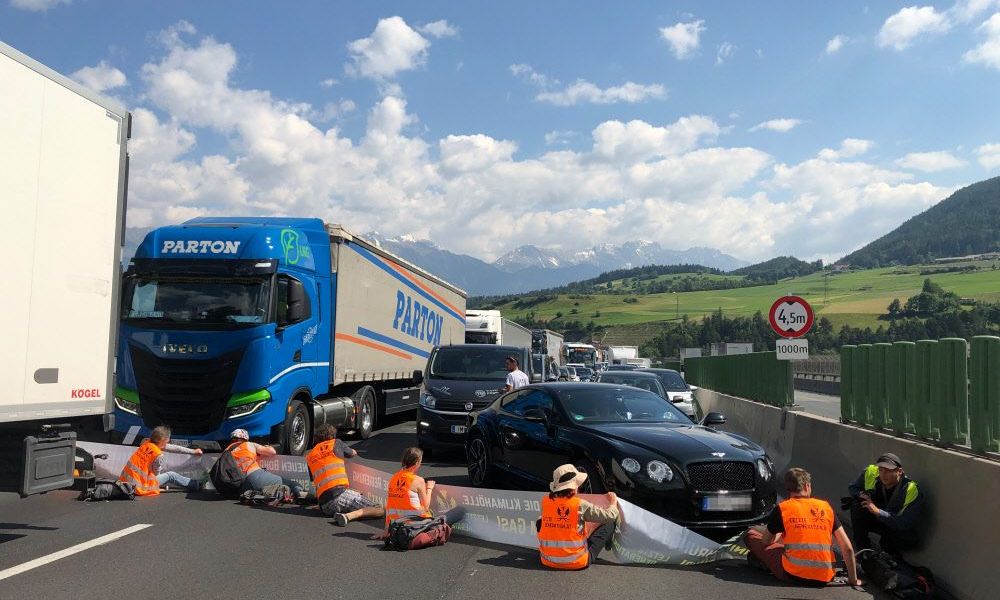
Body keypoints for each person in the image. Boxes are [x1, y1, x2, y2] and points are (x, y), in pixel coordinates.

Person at [747, 468, 861, 588]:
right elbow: (848, 548)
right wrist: (853, 580)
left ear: (788, 488)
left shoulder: (783, 508)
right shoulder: (826, 507)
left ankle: (762, 562)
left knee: (750, 535)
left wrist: (780, 531)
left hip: (793, 574)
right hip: (825, 576)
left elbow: (766, 541)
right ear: (807, 486)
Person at [536, 464, 620, 570]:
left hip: (547, 560)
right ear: (574, 486)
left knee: (541, 520)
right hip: (577, 561)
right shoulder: (579, 504)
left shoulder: (546, 501)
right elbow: (610, 515)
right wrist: (613, 502)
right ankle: (608, 543)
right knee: (609, 523)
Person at [306, 424, 384, 526]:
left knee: (350, 498)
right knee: (379, 509)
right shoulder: (336, 443)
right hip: (339, 495)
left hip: (324, 506)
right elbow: (351, 453)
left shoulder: (310, 456)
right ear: (332, 435)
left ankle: (342, 511)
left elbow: (314, 481)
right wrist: (354, 451)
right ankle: (348, 516)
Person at [847, 452, 923, 555]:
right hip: (875, 519)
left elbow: (905, 523)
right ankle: (863, 551)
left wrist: (878, 512)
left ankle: (889, 553)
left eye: (888, 471)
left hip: (894, 524)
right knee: (857, 505)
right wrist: (861, 494)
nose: (883, 475)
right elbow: (853, 487)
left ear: (899, 471)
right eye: (881, 470)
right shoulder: (871, 472)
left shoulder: (911, 490)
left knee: (909, 540)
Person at [385, 447, 464, 530]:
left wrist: (387, 529)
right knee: (460, 511)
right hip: (417, 525)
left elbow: (389, 507)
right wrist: (429, 488)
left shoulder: (393, 478)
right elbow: (425, 506)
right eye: (420, 462)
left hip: (396, 526)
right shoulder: (418, 480)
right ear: (416, 463)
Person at [118, 425, 203, 495]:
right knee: (171, 475)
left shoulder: (146, 443)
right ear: (163, 441)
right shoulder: (158, 454)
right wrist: (155, 486)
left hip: (125, 482)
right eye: (167, 440)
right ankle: (196, 485)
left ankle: (195, 484)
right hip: (139, 486)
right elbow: (156, 473)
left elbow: (174, 448)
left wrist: (193, 451)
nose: (168, 442)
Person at [225, 428, 305, 497]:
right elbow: (272, 452)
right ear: (245, 438)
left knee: (264, 488)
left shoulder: (227, 450)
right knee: (291, 484)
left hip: (238, 484)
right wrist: (268, 446)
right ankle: (302, 495)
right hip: (254, 476)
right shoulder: (249, 444)